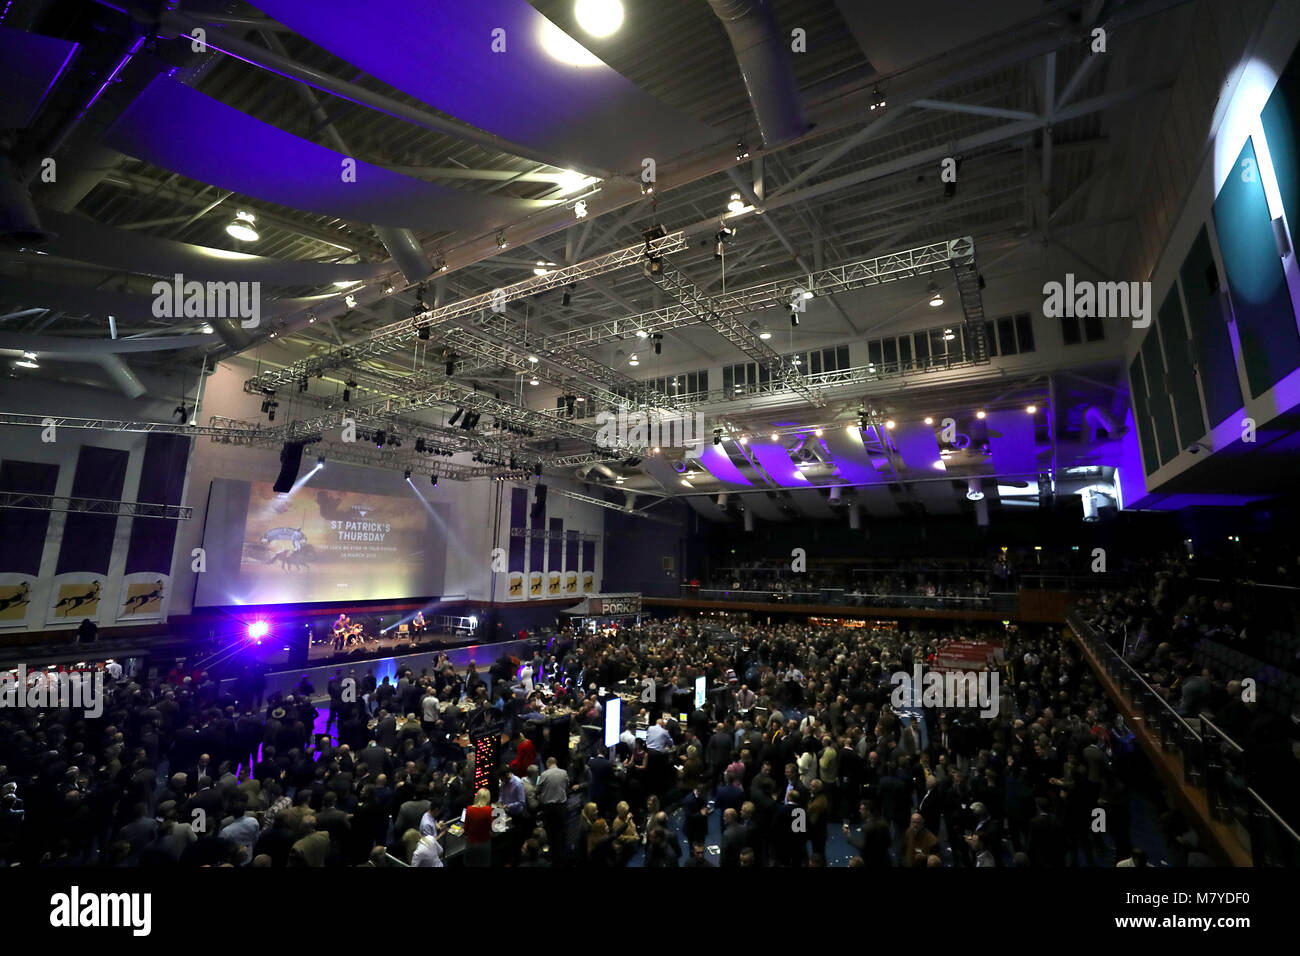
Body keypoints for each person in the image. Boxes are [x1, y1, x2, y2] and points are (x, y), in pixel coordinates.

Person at [464, 788, 494, 867]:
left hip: (471, 843)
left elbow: (466, 828)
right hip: (484, 843)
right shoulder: (489, 810)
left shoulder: (469, 809)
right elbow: (491, 827)